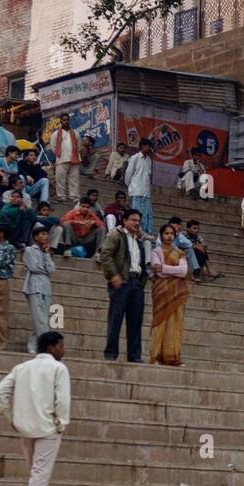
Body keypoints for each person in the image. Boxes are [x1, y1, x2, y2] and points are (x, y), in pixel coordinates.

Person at [0, 330, 70, 486]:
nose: (63, 350)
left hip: (25, 428)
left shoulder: (21, 368)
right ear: (51, 347)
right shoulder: (58, 368)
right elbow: (62, 401)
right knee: (39, 476)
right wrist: (61, 423)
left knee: (37, 475)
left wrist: (12, 417)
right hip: (48, 429)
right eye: (61, 346)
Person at [100, 208, 148, 362]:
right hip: (121, 281)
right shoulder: (116, 235)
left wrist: (142, 280)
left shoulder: (138, 240)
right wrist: (113, 275)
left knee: (136, 321)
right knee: (115, 319)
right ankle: (110, 354)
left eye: (138, 221)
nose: (136, 223)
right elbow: (105, 255)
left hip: (136, 282)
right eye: (133, 220)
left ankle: (134, 356)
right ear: (125, 220)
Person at [148, 223, 190, 366]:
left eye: (171, 234)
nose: (169, 236)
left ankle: (173, 357)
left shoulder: (180, 253)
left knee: (175, 324)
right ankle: (155, 356)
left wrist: (165, 268)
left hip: (176, 293)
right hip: (161, 292)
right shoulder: (156, 251)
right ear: (161, 235)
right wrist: (173, 270)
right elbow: (157, 271)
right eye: (166, 233)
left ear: (175, 236)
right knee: (159, 323)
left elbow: (183, 271)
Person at [22, 226, 56, 354]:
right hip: (34, 285)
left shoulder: (45, 252)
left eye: (47, 234)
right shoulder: (29, 250)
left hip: (46, 286)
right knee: (40, 318)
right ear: (36, 237)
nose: (46, 236)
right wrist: (45, 268)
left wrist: (47, 254)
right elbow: (35, 267)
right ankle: (45, 347)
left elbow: (51, 269)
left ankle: (33, 346)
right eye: (43, 234)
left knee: (43, 318)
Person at [49, 114, 81, 204]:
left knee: (74, 179)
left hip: (74, 159)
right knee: (60, 179)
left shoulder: (76, 133)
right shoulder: (55, 134)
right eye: (64, 120)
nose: (65, 121)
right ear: (60, 121)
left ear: (69, 121)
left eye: (67, 120)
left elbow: (78, 146)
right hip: (61, 159)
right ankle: (61, 196)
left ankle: (74, 197)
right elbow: (53, 146)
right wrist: (60, 154)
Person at [124, 139, 154, 233]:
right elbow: (128, 174)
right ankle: (135, 232)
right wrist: (130, 187)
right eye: (148, 146)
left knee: (146, 215)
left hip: (146, 192)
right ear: (142, 146)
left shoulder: (149, 160)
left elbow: (148, 175)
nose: (149, 149)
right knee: (136, 214)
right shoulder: (134, 158)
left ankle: (144, 233)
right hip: (136, 191)